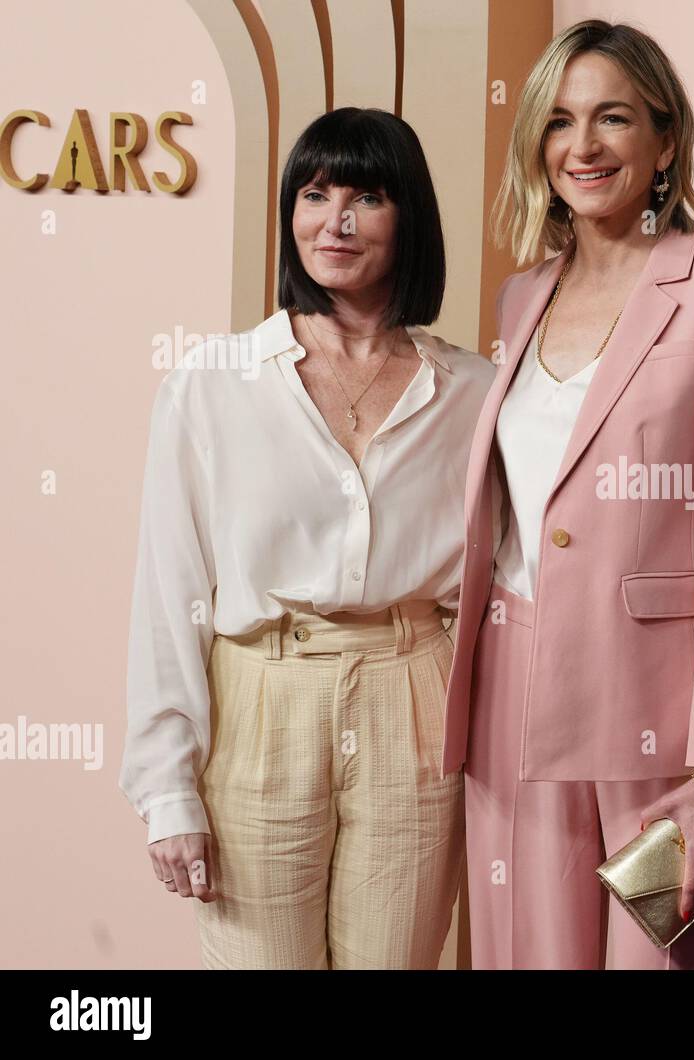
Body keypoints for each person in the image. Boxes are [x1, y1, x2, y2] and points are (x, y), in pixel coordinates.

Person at [443, 20, 694, 969]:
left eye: (612, 119)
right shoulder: (523, 297)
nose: (582, 147)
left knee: (667, 964)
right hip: (509, 697)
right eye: (559, 122)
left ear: (666, 139)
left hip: (659, 717)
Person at [120, 108, 493, 968]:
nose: (337, 220)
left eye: (367, 196)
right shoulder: (212, 386)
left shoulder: (473, 390)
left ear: (410, 221)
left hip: (414, 698)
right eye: (315, 193)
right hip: (261, 696)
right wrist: (168, 790)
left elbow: (503, 581)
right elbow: (168, 594)